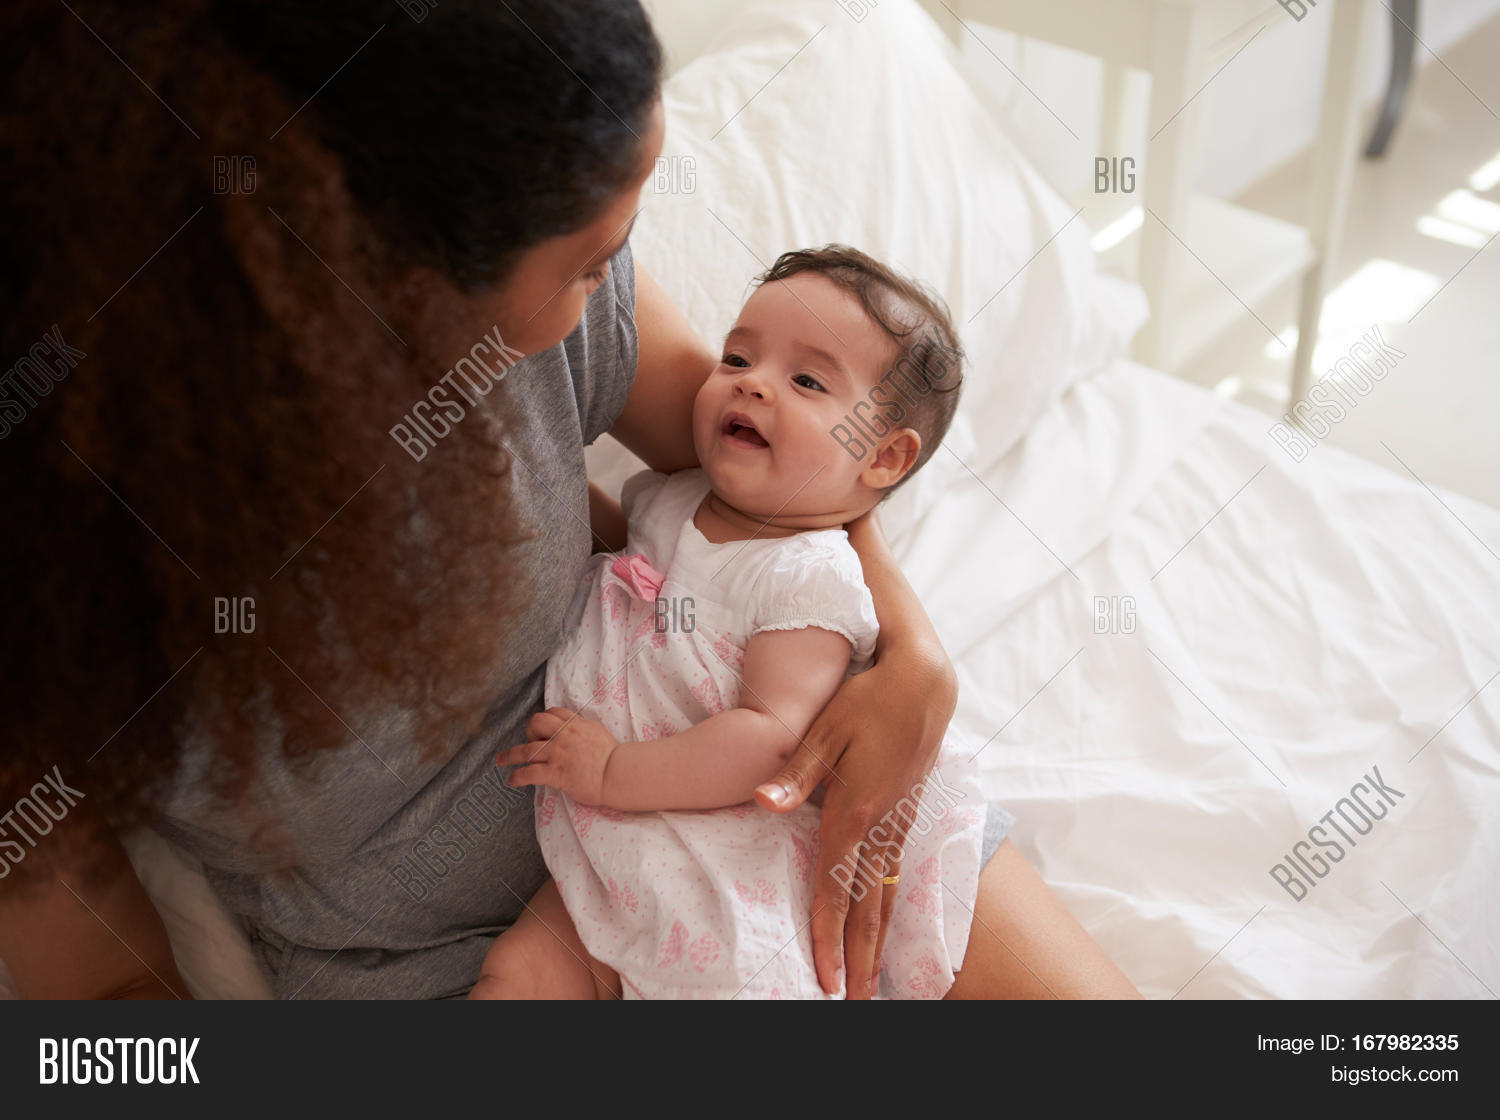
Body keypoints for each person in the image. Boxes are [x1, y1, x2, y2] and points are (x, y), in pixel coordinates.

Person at [0, 0, 1137, 1000]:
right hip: (448, 960)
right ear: (398, 276)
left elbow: (780, 471)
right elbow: (108, 988)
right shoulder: (75, 534)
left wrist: (911, 648)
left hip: (758, 824)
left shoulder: (542, 302)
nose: (620, 281)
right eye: (594, 262)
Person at [475, 246, 987, 999]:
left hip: (723, 855)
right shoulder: (675, 497)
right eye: (738, 355)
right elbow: (626, 567)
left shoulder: (809, 576)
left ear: (883, 458)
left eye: (806, 380)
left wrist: (614, 773)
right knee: (520, 972)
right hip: (617, 846)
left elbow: (769, 737)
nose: (752, 382)